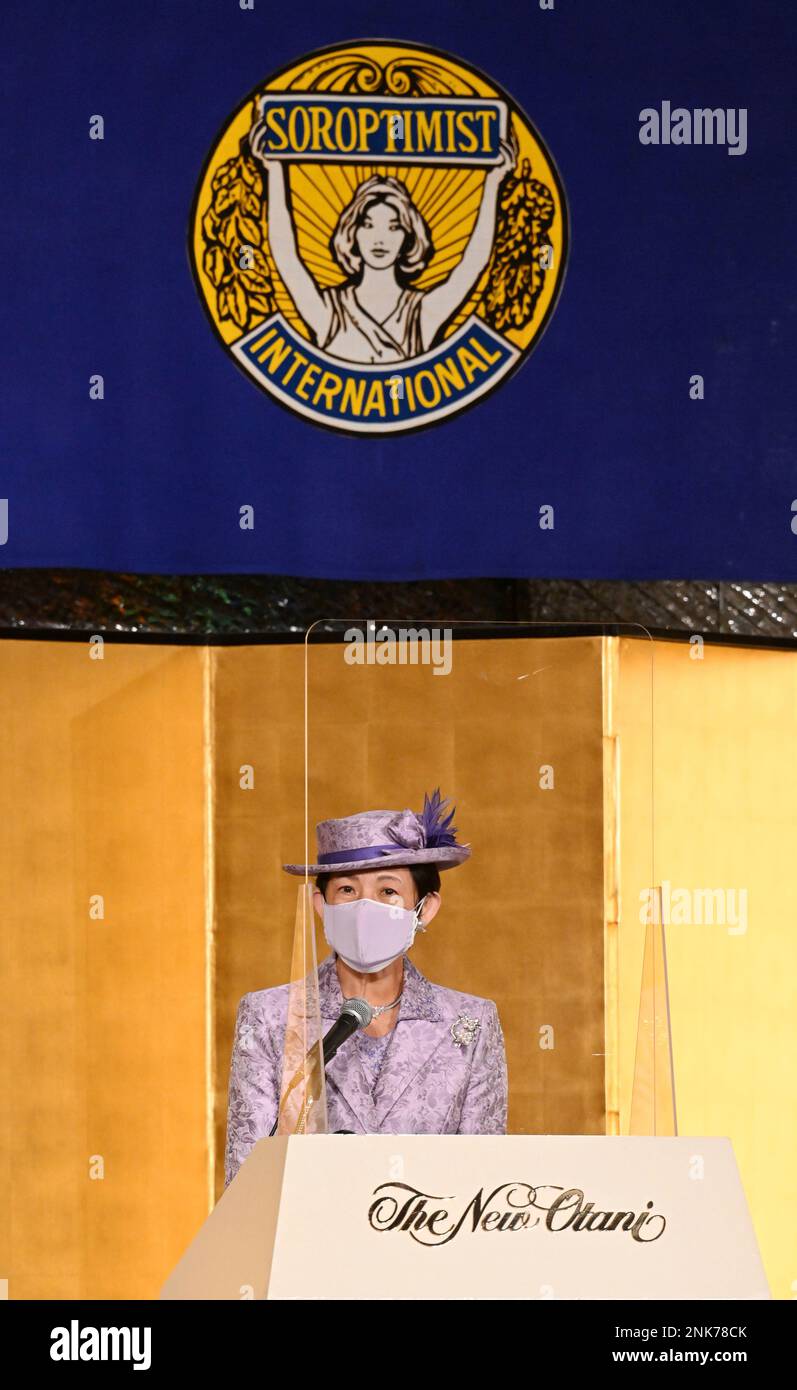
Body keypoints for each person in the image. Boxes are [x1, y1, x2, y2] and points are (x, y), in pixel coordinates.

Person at [224, 789, 508, 1187]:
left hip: (430, 1241)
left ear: (424, 907)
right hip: (311, 1243)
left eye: (387, 891)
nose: (364, 907)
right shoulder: (269, 1016)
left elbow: (484, 1182)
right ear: (321, 905)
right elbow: (246, 1180)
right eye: (347, 890)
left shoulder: (470, 1024)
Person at [249, 120, 518, 364]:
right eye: (368, 225)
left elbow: (473, 263)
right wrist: (274, 171)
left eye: (393, 227)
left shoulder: (421, 313)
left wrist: (494, 182)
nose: (380, 239)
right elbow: (285, 258)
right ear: (352, 234)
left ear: (408, 238)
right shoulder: (329, 310)